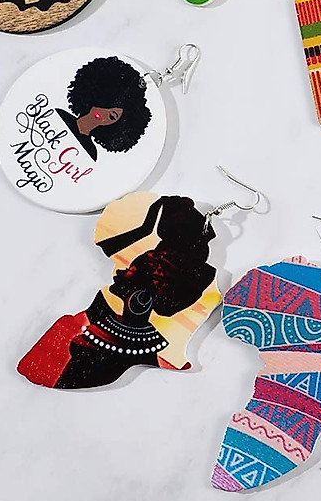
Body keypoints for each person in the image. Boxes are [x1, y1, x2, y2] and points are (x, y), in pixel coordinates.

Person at [18, 196, 215, 389]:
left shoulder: (158, 261)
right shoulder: (187, 268)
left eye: (131, 269)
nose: (121, 271)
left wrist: (148, 224)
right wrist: (148, 225)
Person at [54, 55, 152, 160]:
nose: (104, 113)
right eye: (105, 103)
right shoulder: (57, 115)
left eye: (112, 116)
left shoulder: (89, 152)